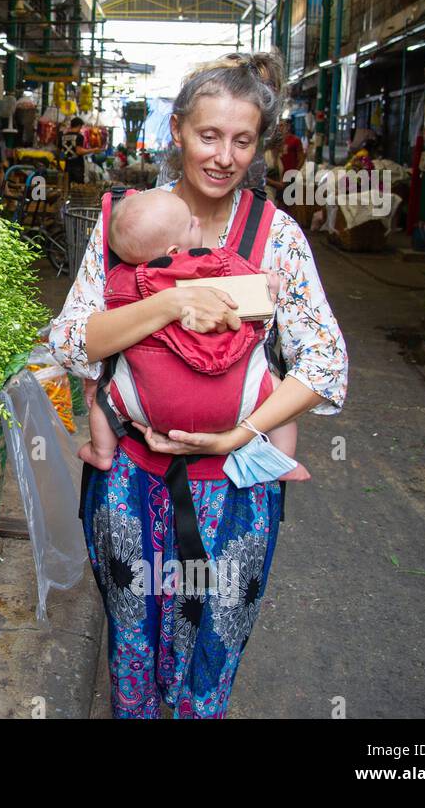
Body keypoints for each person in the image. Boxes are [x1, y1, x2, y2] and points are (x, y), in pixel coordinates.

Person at [48, 50, 348, 719]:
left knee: (216, 639)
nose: (223, 156)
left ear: (258, 146)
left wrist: (240, 433)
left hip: (236, 486)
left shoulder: (278, 238)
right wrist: (166, 305)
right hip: (131, 479)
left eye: (242, 140)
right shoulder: (127, 225)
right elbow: (71, 341)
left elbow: (325, 365)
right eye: (209, 135)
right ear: (177, 130)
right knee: (132, 634)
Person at [78, 188, 308, 483]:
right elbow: (255, 304)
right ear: (174, 251)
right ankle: (284, 460)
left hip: (145, 405)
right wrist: (271, 290)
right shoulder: (216, 265)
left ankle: (102, 452)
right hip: (235, 403)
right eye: (190, 223)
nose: (197, 221)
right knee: (280, 396)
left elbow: (86, 334)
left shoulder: (122, 280)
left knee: (103, 397)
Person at [60, 116, 100, 184]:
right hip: (77, 166)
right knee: (77, 189)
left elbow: (61, 153)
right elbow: (79, 151)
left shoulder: (63, 136)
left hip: (67, 166)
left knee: (67, 186)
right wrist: (93, 150)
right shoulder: (79, 136)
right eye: (81, 127)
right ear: (78, 125)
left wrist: (62, 160)